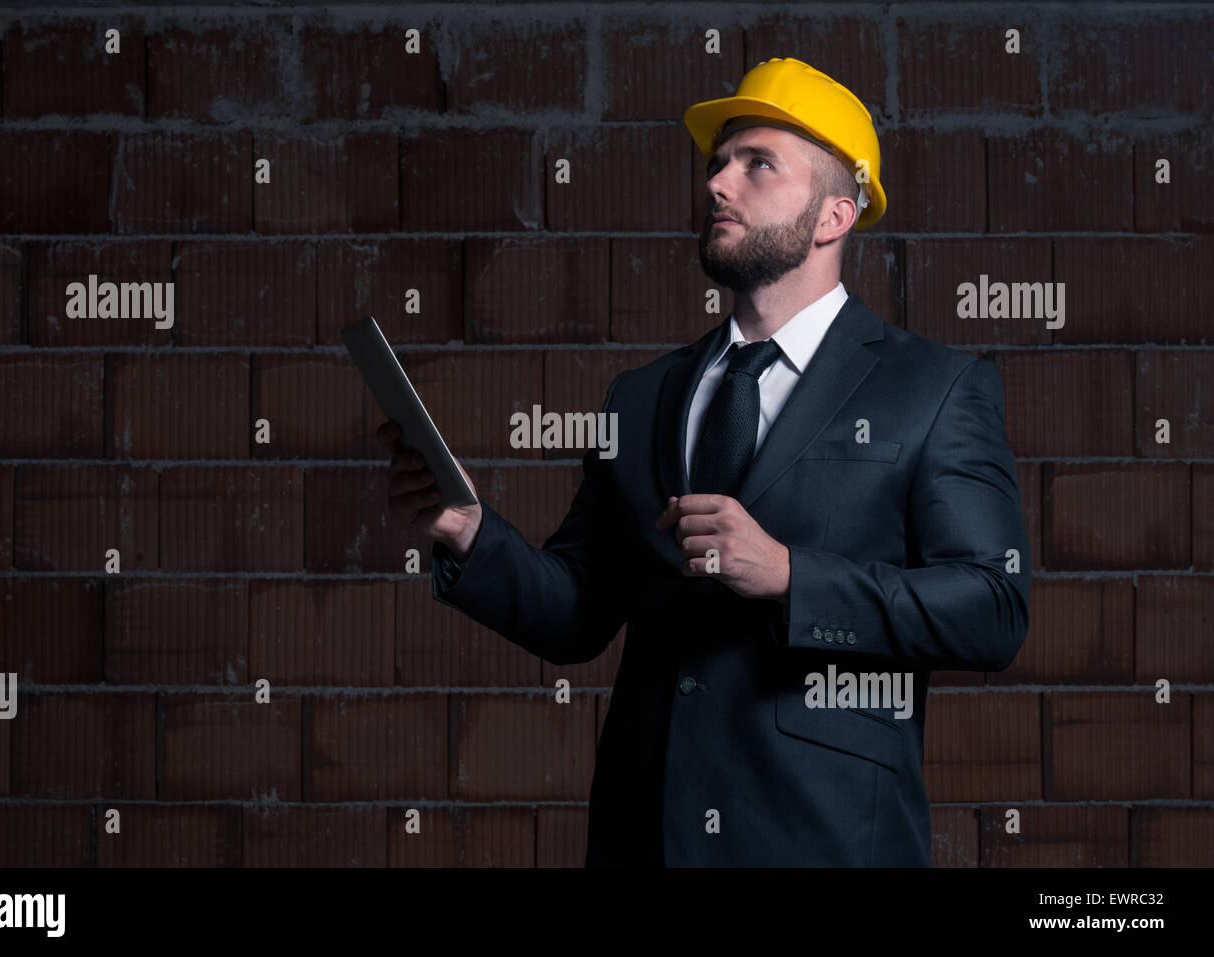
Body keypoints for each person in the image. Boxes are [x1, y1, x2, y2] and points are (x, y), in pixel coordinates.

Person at [376, 57, 1030, 866]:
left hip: (826, 842)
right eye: (717, 164)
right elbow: (579, 611)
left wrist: (794, 575)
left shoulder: (934, 388)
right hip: (645, 835)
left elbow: (994, 606)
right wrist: (472, 534)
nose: (719, 184)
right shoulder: (642, 397)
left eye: (758, 165)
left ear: (835, 214)